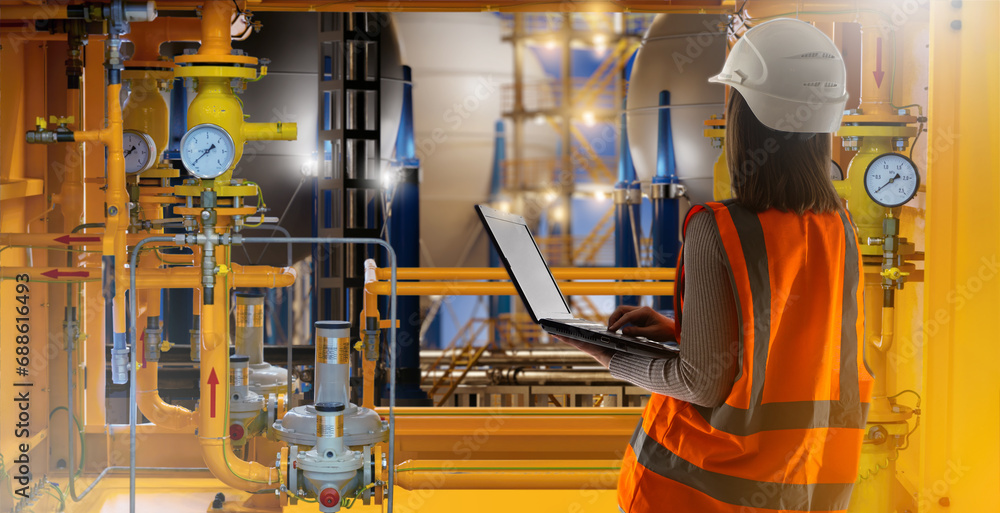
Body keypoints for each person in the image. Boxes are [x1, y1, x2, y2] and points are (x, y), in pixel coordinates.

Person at [559, 18, 874, 513]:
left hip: (699, 492)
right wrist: (685, 332)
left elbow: (700, 383)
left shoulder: (718, 226)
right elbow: (794, 348)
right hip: (802, 486)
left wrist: (609, 356)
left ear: (744, 118)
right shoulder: (840, 228)